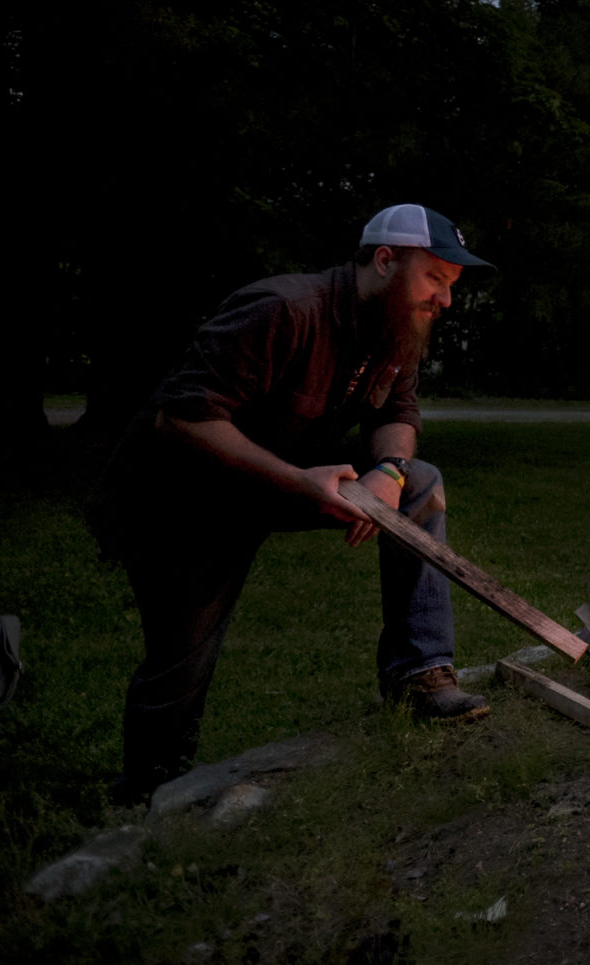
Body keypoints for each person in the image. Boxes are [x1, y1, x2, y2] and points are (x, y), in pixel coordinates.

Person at [87, 204, 495, 805]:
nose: (445, 300)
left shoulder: (396, 330)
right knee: (181, 662)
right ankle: (148, 794)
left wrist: (389, 469)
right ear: (385, 261)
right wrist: (298, 482)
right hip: (187, 497)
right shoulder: (283, 309)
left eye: (451, 286)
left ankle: (419, 675)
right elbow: (182, 416)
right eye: (434, 278)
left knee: (422, 483)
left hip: (292, 481)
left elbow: (398, 413)